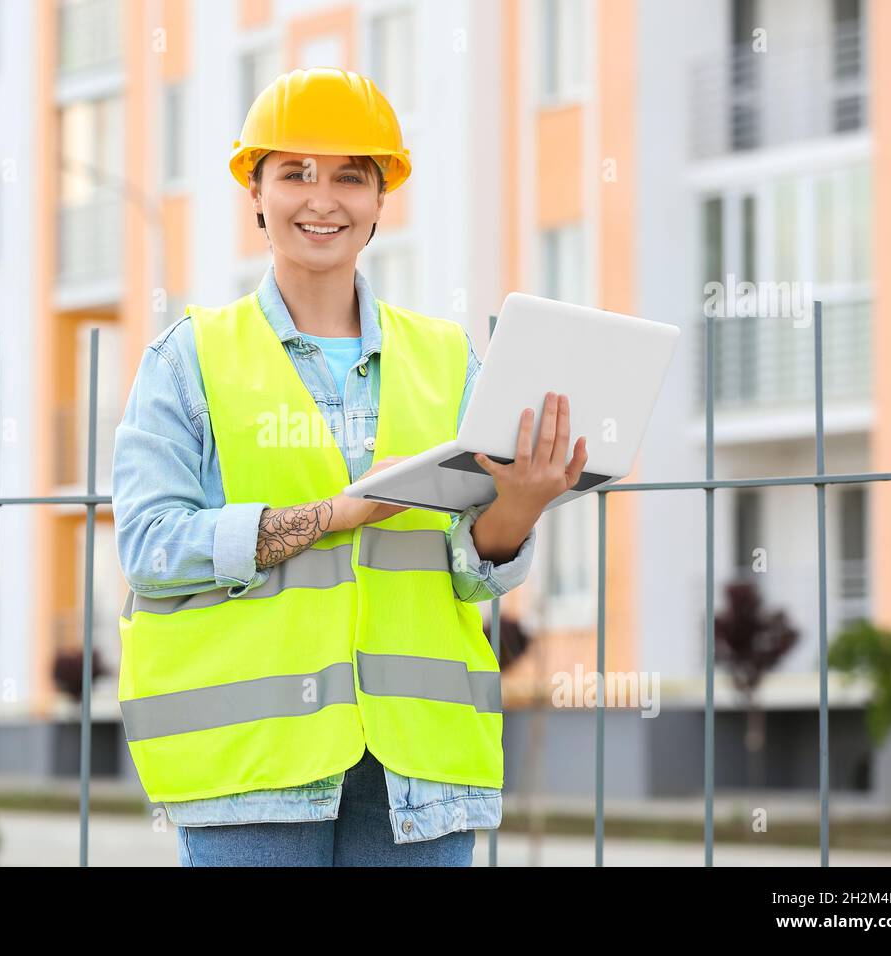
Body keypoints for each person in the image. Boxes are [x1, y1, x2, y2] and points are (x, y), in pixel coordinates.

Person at [112, 67, 588, 867]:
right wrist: (339, 513)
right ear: (254, 192)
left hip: (417, 767)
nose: (321, 199)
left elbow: (471, 572)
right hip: (254, 766)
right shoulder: (189, 359)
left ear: (379, 201)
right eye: (294, 172)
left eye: (349, 177)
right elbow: (151, 549)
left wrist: (522, 507)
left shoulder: (447, 359)